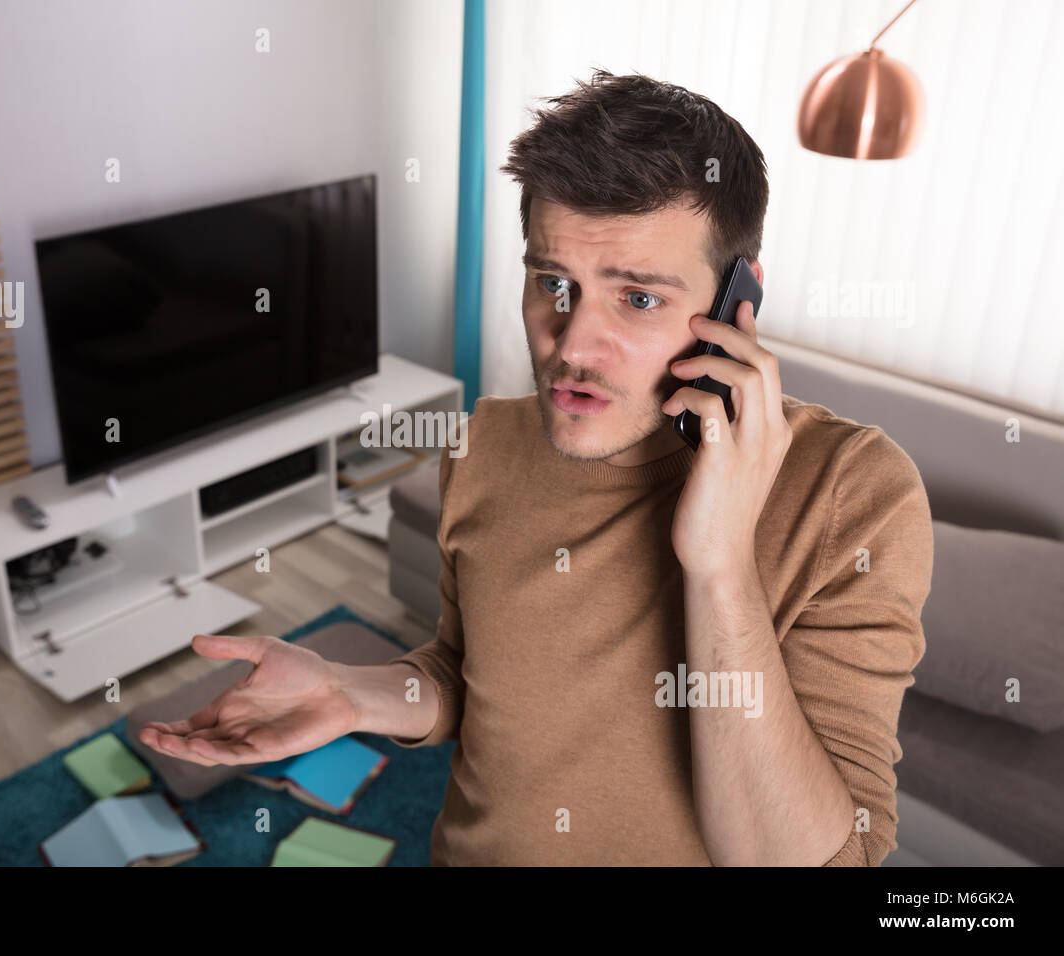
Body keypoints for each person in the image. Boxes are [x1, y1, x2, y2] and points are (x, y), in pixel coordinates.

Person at [139, 70, 933, 866]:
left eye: (639, 299)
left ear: (737, 305)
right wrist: (355, 695)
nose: (573, 345)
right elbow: (465, 674)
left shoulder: (853, 495)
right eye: (553, 282)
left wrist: (720, 566)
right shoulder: (481, 446)